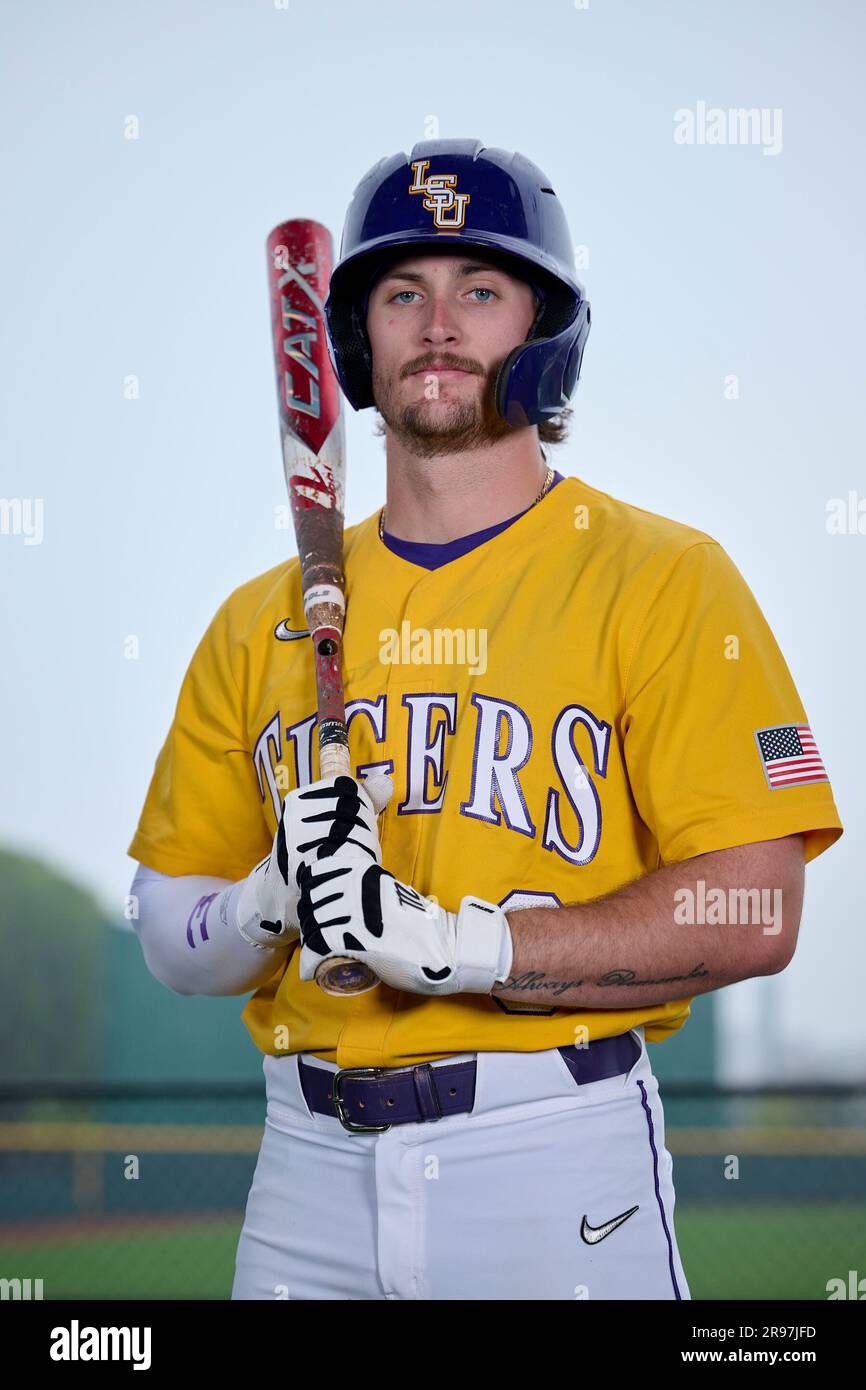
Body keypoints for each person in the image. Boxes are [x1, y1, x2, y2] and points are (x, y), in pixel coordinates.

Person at [127, 139, 843, 1301]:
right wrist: (268, 903)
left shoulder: (664, 577)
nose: (438, 321)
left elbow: (758, 903)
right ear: (357, 339)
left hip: (550, 1160)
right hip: (304, 1171)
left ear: (541, 331)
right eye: (402, 291)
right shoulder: (253, 618)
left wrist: (467, 947)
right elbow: (169, 927)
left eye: (480, 289)